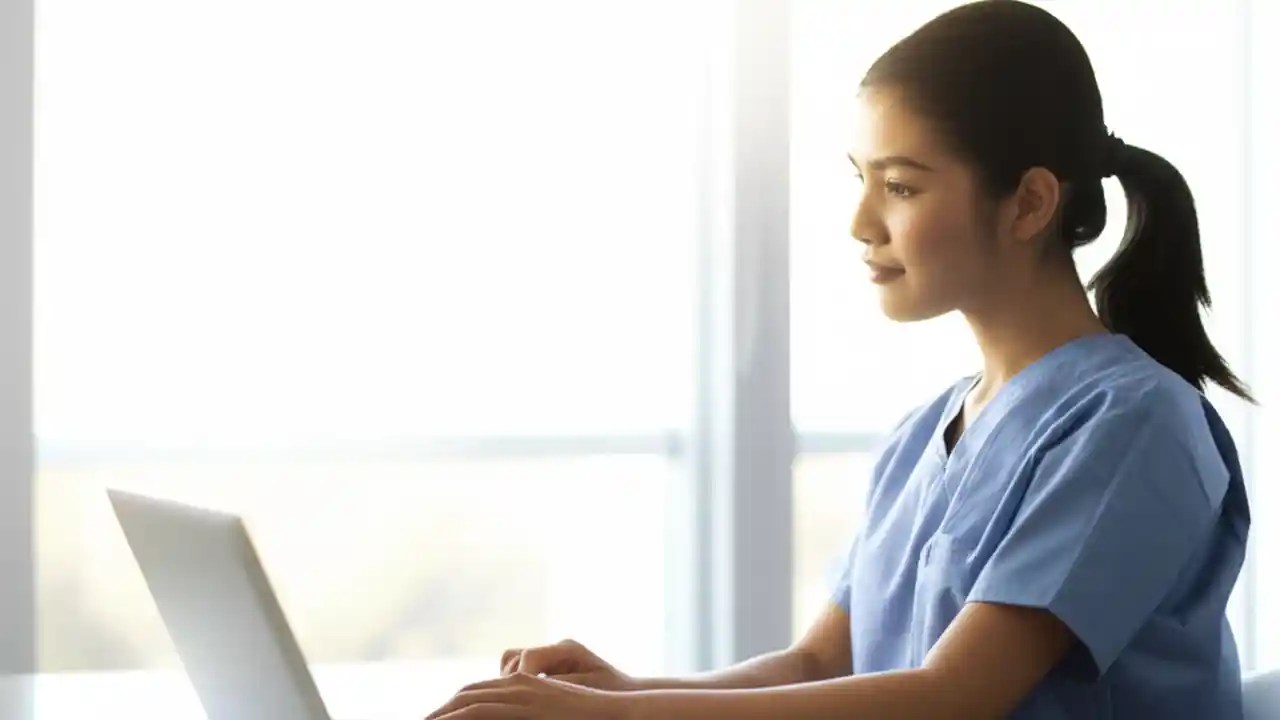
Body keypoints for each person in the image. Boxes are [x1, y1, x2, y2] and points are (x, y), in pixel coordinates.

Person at [424, 1, 1252, 718]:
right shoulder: (925, 434)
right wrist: (616, 690)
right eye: (861, 178)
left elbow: (951, 697)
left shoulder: (1136, 424)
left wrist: (627, 717)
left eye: (900, 186)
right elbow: (818, 665)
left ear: (1029, 202)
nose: (861, 221)